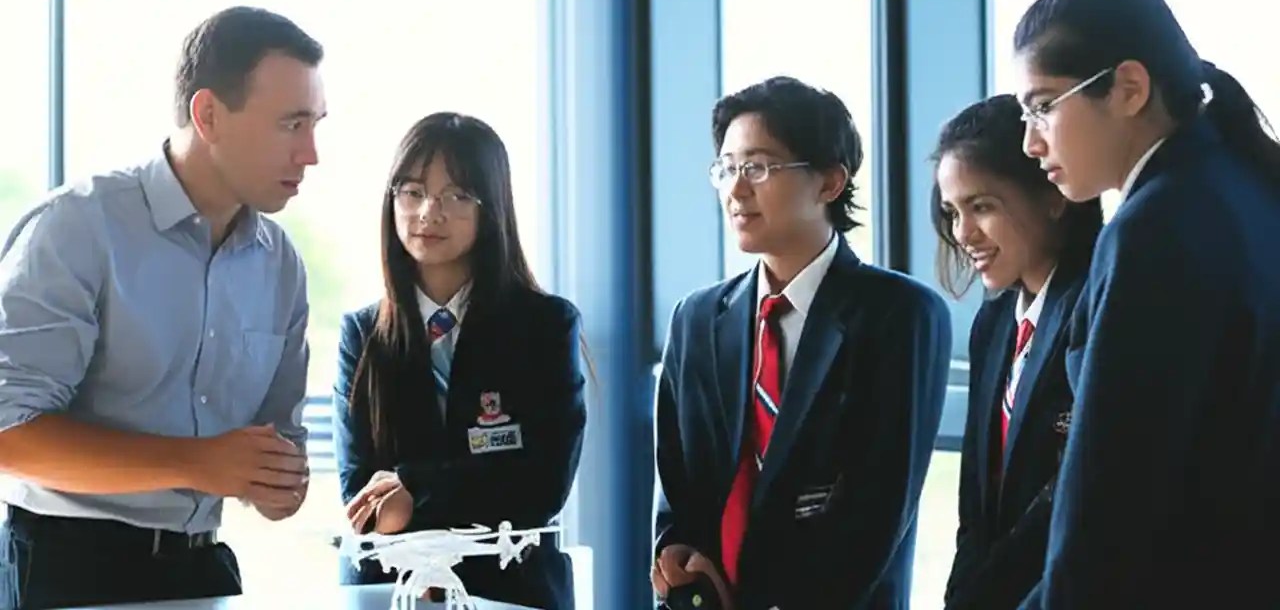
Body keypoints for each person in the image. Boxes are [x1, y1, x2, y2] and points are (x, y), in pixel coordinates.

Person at [0, 6, 325, 609]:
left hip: (202, 568)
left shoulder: (281, 265)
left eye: (315, 124)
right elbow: (9, 435)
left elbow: (277, 446)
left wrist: (279, 480)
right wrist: (198, 463)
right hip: (68, 569)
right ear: (208, 116)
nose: (310, 153)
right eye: (291, 124)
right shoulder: (77, 227)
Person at [1012, 0, 1280, 608]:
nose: (1029, 141)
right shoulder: (1242, 188)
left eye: (1043, 106)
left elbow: (1107, 506)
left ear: (1129, 88)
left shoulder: (1153, 231)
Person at [652, 76, 951, 610]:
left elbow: (877, 511)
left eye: (758, 167)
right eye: (726, 168)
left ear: (830, 182)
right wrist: (673, 550)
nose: (736, 190)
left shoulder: (899, 315)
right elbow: (677, 481)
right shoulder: (696, 318)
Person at [334, 112, 585, 610]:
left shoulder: (544, 326)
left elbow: (540, 486)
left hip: (512, 591)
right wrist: (466, 486)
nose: (429, 212)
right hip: (391, 591)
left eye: (456, 195)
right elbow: (365, 500)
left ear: (491, 208)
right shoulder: (362, 335)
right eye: (412, 192)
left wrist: (414, 487)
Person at [930, 95, 1101, 610]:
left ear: (1052, 196)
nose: (963, 234)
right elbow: (975, 509)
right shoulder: (995, 322)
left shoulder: (1099, 310)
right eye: (952, 212)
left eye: (981, 206)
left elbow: (1071, 502)